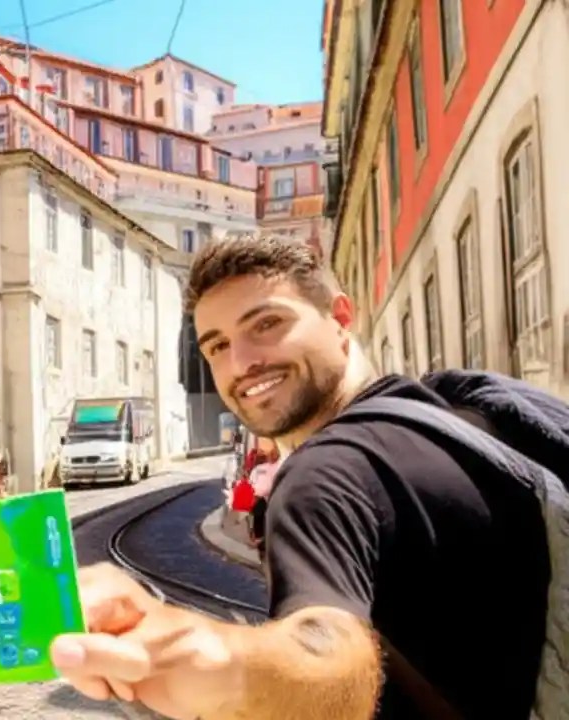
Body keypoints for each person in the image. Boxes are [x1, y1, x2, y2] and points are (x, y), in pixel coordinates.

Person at [50, 234, 549, 719]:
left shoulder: (322, 476)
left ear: (340, 318)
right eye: (217, 346)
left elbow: (330, 650)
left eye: (266, 323)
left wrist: (228, 665)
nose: (242, 363)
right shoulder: (465, 415)